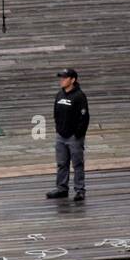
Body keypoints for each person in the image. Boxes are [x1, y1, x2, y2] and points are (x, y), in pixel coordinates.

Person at [45, 68, 89, 201]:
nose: (62, 80)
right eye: (61, 78)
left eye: (65, 78)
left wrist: (78, 134)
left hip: (74, 137)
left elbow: (84, 117)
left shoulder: (79, 96)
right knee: (61, 163)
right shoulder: (60, 94)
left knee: (77, 164)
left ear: (73, 80)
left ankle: (79, 190)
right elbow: (56, 113)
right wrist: (59, 130)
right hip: (61, 136)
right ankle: (62, 188)